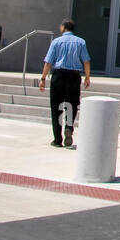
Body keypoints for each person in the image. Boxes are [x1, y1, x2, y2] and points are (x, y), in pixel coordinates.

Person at [39, 20, 91, 148]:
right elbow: (86, 61)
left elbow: (48, 62)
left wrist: (43, 78)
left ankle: (57, 139)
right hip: (74, 76)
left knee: (56, 107)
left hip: (59, 76)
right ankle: (68, 127)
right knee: (71, 105)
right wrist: (87, 77)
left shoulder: (56, 42)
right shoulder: (81, 42)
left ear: (63, 27)